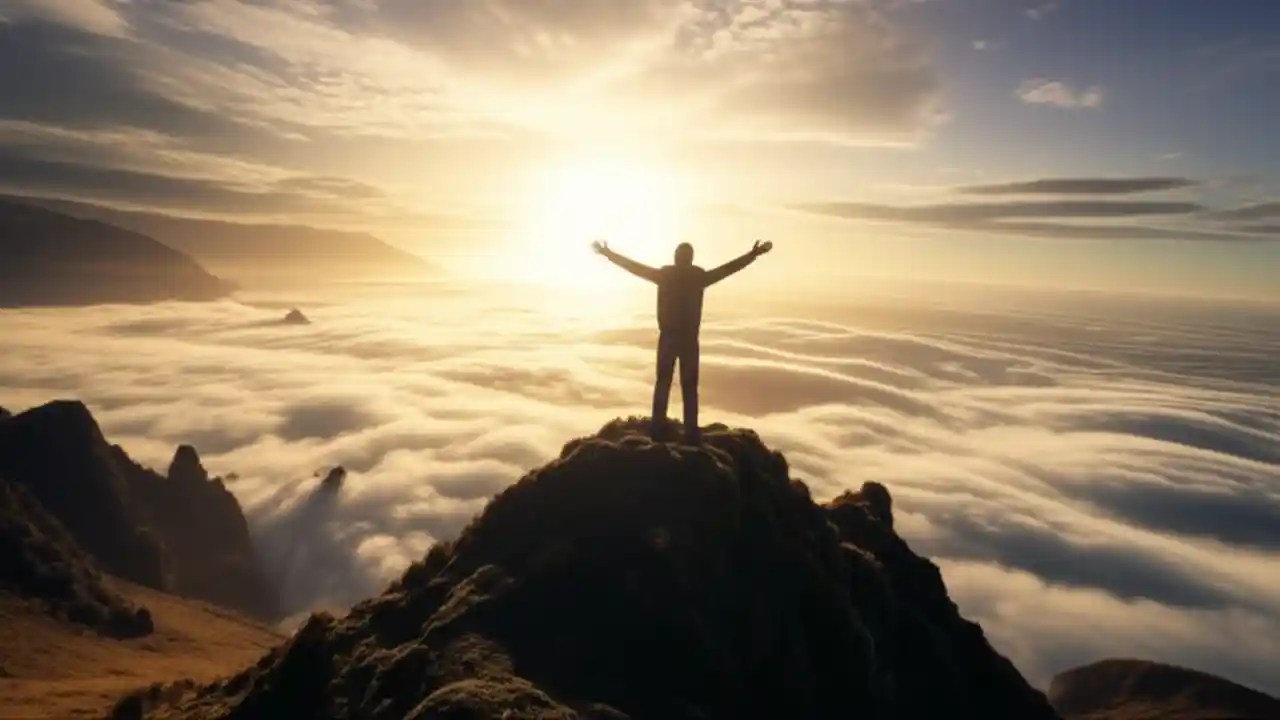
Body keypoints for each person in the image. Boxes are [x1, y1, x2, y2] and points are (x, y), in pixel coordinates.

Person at [592, 238, 773, 443]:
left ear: (676, 257)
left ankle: (658, 428)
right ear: (690, 259)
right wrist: (752, 255)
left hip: (669, 337)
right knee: (688, 386)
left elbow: (634, 267)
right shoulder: (698, 277)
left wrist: (608, 254)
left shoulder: (665, 276)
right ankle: (690, 431)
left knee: (664, 383)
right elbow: (728, 269)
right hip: (688, 339)